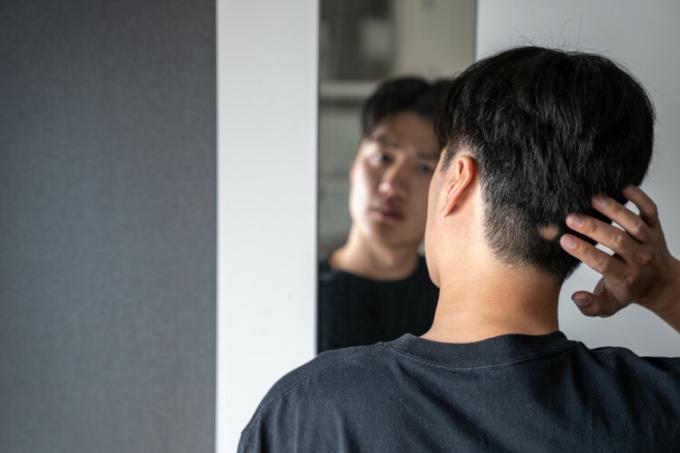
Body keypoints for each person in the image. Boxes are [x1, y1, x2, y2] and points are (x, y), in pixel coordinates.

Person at [239, 47, 680, 452]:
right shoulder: (653, 409)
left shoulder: (307, 413)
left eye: (430, 165)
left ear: (456, 181)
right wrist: (665, 287)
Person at [318, 77, 449, 353]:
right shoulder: (301, 287)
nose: (392, 185)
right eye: (383, 157)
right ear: (354, 163)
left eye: (424, 168)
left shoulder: (453, 302)